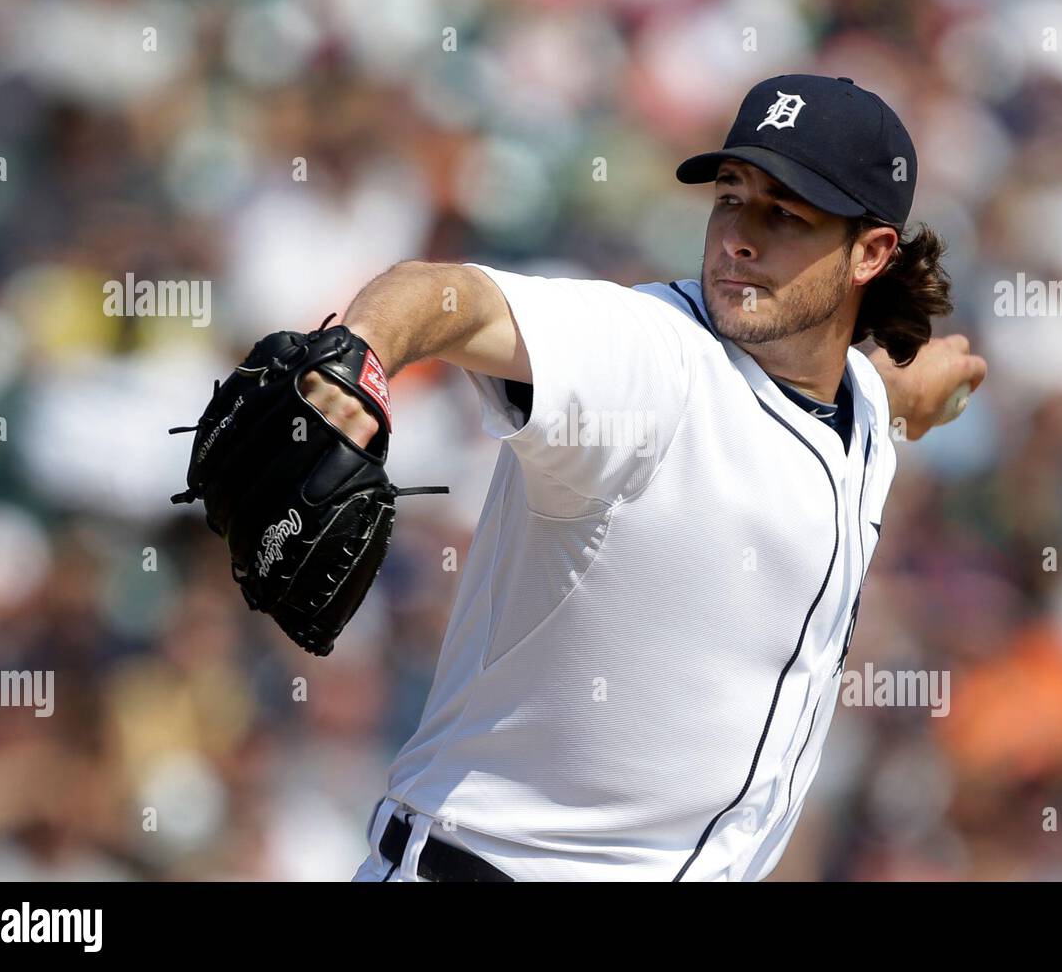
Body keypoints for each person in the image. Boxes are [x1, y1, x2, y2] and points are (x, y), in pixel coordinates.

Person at [301, 74, 987, 881]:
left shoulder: (862, 408)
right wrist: (352, 363)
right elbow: (454, 297)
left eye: (785, 215)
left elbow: (872, 394)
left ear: (871, 253)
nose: (739, 236)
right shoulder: (651, 356)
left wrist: (919, 391)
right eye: (732, 197)